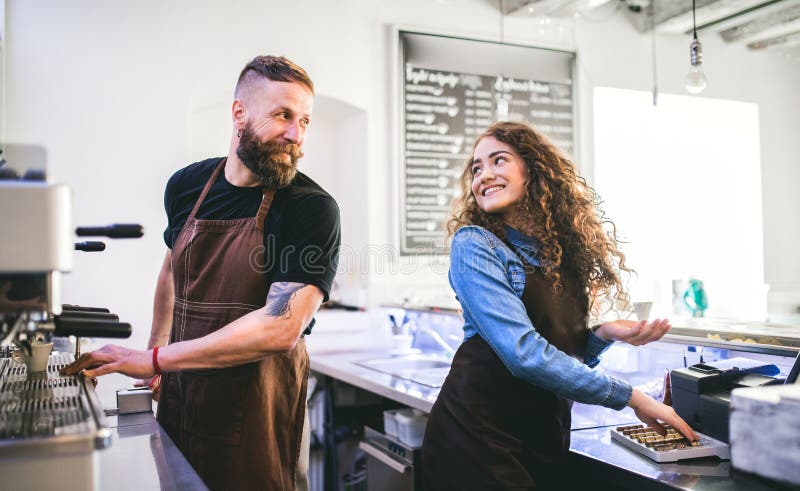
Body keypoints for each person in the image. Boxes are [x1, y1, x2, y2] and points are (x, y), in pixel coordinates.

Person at [62, 55, 341, 491]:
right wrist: (156, 356)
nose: (295, 134)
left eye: (304, 120)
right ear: (239, 114)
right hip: (183, 394)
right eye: (283, 115)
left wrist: (153, 359)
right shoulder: (186, 187)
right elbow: (172, 274)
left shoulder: (310, 208)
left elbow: (280, 327)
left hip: (257, 406)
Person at [420, 121, 697, 490]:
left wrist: (601, 335)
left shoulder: (563, 257)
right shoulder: (475, 245)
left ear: (532, 170)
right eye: (477, 168)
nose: (484, 175)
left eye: (498, 161)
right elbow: (524, 353)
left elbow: (563, 354)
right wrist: (632, 397)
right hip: (477, 440)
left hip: (541, 440)